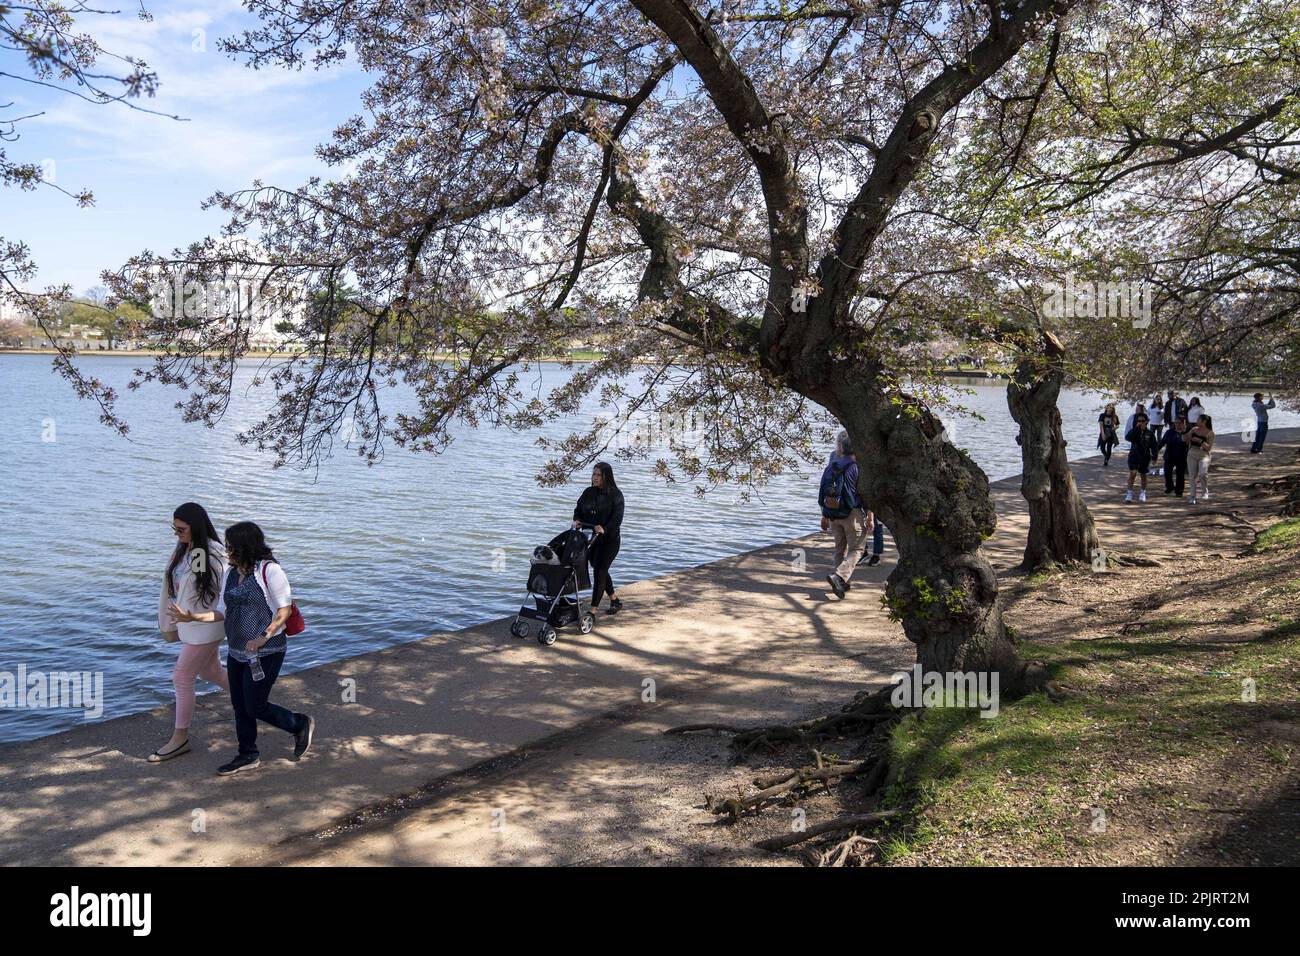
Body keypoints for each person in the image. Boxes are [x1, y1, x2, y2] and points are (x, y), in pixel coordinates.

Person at [170, 521, 314, 775]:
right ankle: (247, 754)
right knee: (239, 704)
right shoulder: (231, 573)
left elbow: (284, 610)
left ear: (246, 547)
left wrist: (264, 636)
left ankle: (298, 723)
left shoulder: (270, 571)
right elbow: (222, 612)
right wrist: (191, 617)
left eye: (231, 547)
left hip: (268, 651)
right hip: (237, 650)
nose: (228, 551)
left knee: (255, 705)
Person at [152, 502, 229, 762]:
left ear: (196, 527)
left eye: (182, 529)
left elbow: (208, 591)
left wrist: (189, 615)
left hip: (204, 626)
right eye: (174, 529)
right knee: (211, 671)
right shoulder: (190, 550)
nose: (177, 534)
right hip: (193, 625)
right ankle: (253, 701)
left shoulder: (211, 553)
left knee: (181, 677)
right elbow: (188, 587)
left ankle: (180, 738)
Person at [819, 431, 872, 598]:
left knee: (839, 549)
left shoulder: (831, 466)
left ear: (840, 447)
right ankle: (839, 577)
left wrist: (824, 514)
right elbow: (866, 494)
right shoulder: (857, 468)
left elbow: (821, 493)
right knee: (857, 548)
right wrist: (870, 516)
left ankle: (842, 584)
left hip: (834, 513)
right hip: (852, 513)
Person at [572, 461, 625, 614]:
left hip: (609, 541)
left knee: (599, 571)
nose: (595, 478)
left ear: (606, 477)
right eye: (593, 474)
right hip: (592, 539)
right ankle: (615, 600)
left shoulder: (616, 495)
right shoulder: (588, 492)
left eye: (598, 475)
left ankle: (593, 611)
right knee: (599, 568)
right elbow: (578, 509)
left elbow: (617, 519)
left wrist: (604, 529)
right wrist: (577, 520)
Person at [1124, 413, 1155, 502]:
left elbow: (1154, 445)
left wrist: (1154, 456)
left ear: (1146, 422)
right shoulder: (1134, 431)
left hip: (1144, 457)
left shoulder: (1150, 433)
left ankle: (1143, 492)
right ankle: (1129, 493)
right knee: (1132, 474)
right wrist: (1136, 429)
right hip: (1133, 456)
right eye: (1138, 421)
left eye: (1142, 421)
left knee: (1143, 475)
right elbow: (1127, 438)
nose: (1140, 422)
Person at [1157, 418, 1189, 497]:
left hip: (1182, 457)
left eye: (1179, 423)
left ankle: (1179, 491)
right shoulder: (1169, 432)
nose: (1177, 425)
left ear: (1183, 423)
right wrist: (1155, 452)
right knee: (1167, 473)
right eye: (1176, 423)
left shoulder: (1186, 433)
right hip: (1169, 456)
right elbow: (1162, 442)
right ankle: (1170, 487)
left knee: (1180, 474)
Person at [1187, 415, 1216, 503]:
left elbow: (1208, 448)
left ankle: (1205, 492)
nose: (1196, 421)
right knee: (1192, 476)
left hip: (1203, 455)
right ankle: (1192, 497)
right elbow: (1186, 439)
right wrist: (1187, 433)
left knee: (1203, 474)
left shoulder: (1210, 433)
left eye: (1198, 420)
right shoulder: (1194, 429)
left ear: (1204, 422)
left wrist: (1200, 441)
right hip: (1192, 453)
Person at [1147, 395, 1165, 474]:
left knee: (1159, 438)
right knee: (1151, 436)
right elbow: (1148, 413)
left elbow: (1165, 414)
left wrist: (1161, 414)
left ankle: (1156, 450)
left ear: (1160, 399)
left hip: (1160, 423)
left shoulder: (1162, 406)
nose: (1157, 399)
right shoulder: (1151, 406)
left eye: (1159, 398)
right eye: (1156, 398)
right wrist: (1148, 420)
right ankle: (1151, 448)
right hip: (1152, 423)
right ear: (1154, 399)